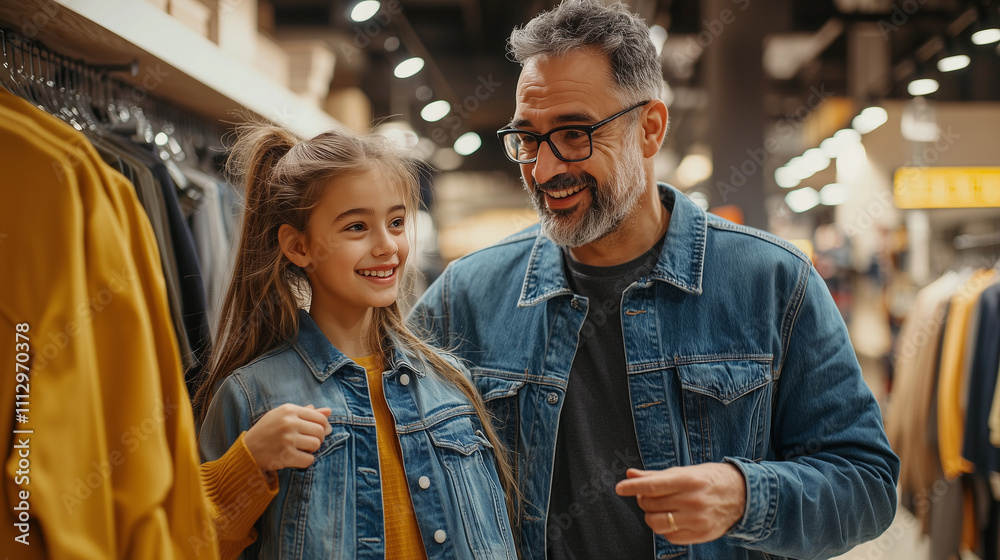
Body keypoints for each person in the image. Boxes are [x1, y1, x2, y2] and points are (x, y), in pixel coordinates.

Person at [410, 1, 900, 559]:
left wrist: (745, 496)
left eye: (574, 134)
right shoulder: (468, 296)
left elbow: (867, 482)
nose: (544, 170)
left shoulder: (773, 283)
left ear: (650, 128)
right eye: (528, 138)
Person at [196, 122, 518, 559]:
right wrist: (248, 462)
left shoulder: (450, 383)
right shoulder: (252, 397)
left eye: (397, 221)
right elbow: (189, 544)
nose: (387, 245)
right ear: (298, 246)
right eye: (356, 227)